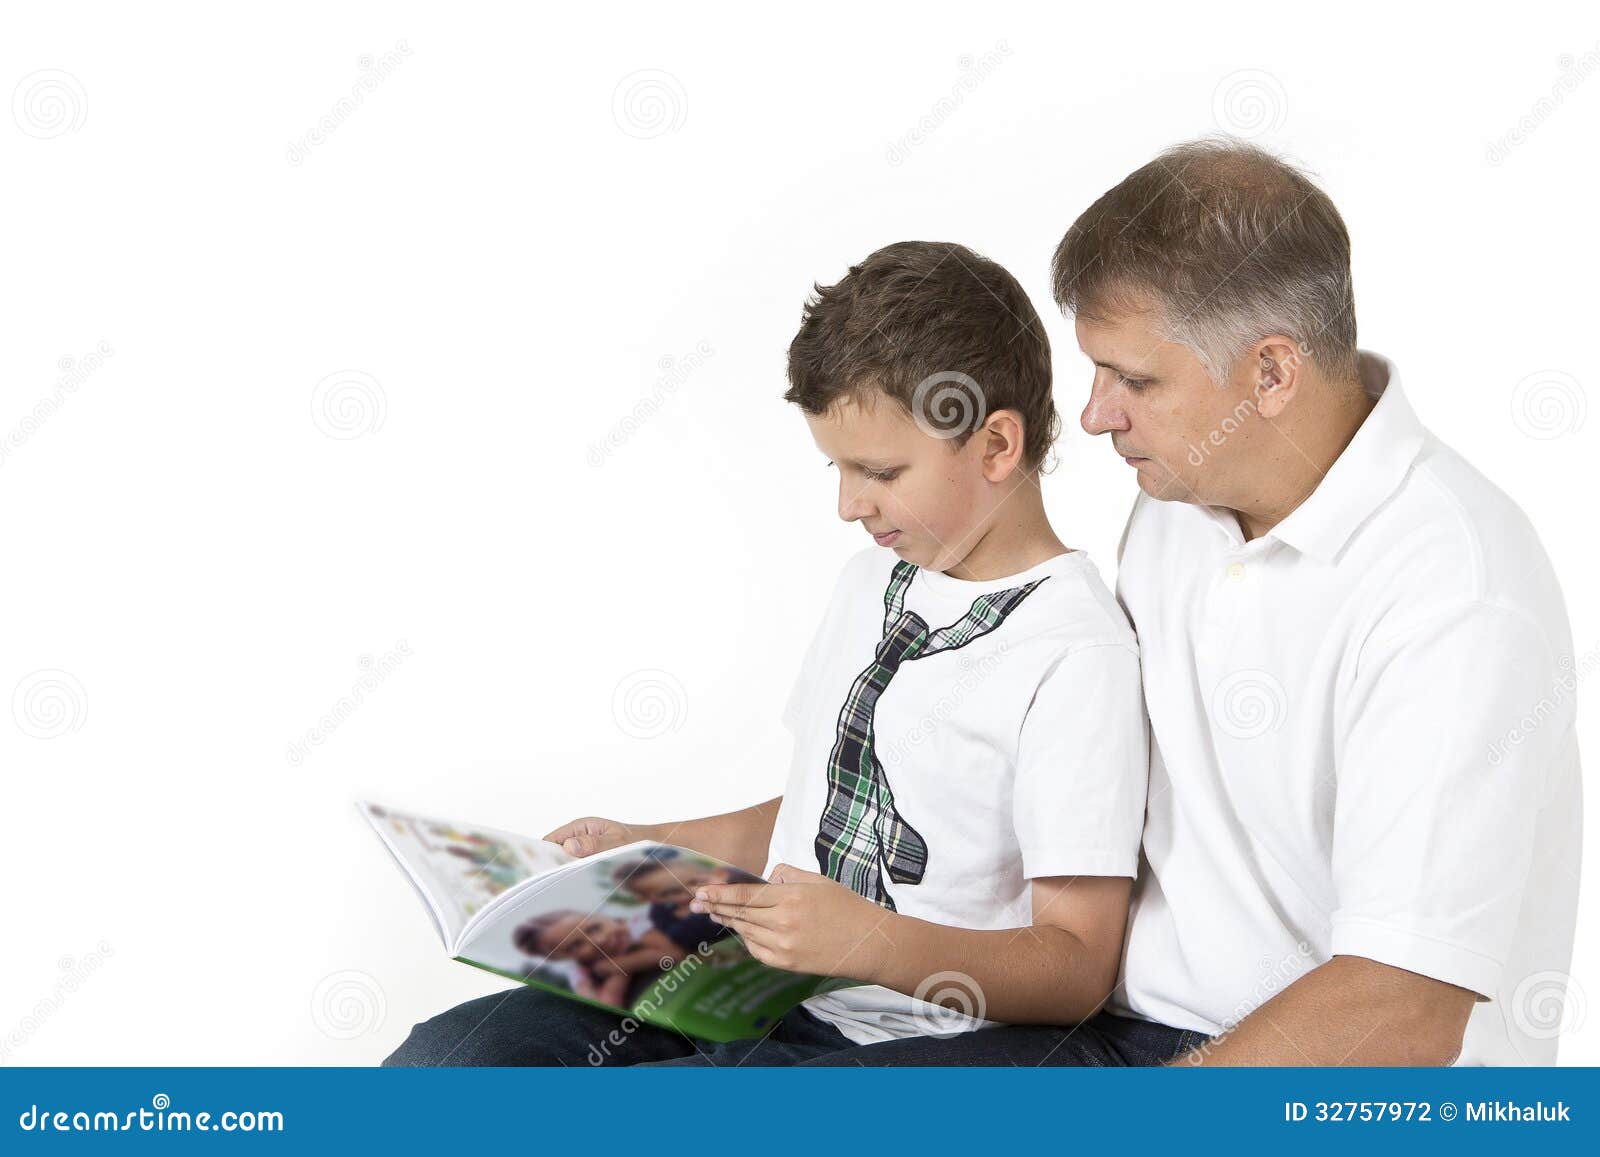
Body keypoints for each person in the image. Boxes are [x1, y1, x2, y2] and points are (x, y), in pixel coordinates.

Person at [794, 140, 1583, 1067]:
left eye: (1135, 379)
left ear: (1272, 374)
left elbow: (1401, 1010)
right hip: (1118, 1034)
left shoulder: (1455, 592)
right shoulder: (1179, 504)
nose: (1092, 415)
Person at [383, 240, 1166, 1066]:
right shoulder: (873, 581)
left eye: (879, 470)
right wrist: (643, 845)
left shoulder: (1076, 654)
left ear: (997, 447)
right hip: (768, 987)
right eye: (836, 466)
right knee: (451, 1060)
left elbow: (1077, 961)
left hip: (930, 1032)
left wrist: (869, 941)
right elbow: (808, 811)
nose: (846, 503)